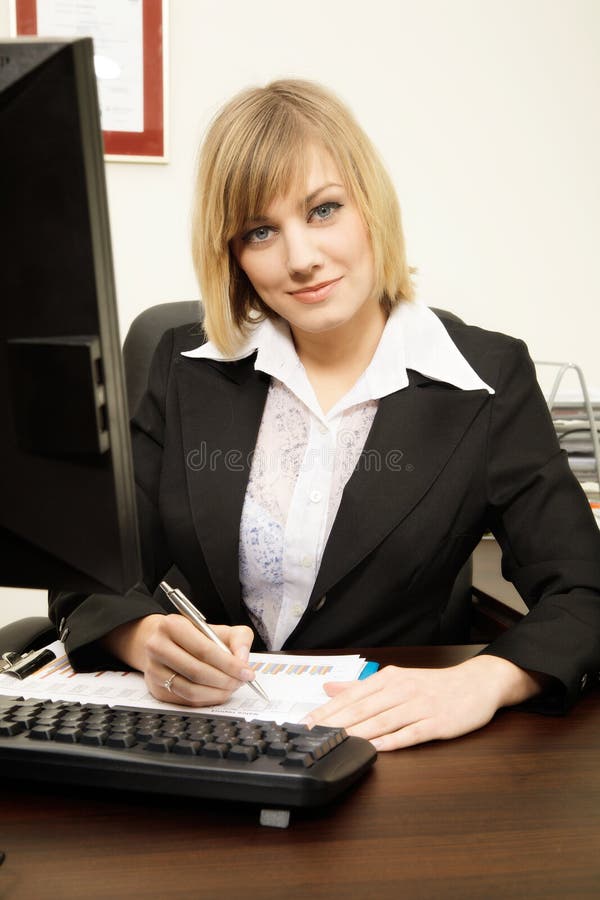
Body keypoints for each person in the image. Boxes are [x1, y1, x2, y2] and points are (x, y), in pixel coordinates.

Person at [51, 79, 600, 751]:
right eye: (260, 231)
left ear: (371, 205)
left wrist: (485, 679)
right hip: (212, 745)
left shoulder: (487, 381)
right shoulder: (184, 367)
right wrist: (140, 637)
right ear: (234, 256)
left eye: (323, 210)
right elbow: (87, 571)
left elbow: (584, 593)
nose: (301, 259)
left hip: (394, 753)